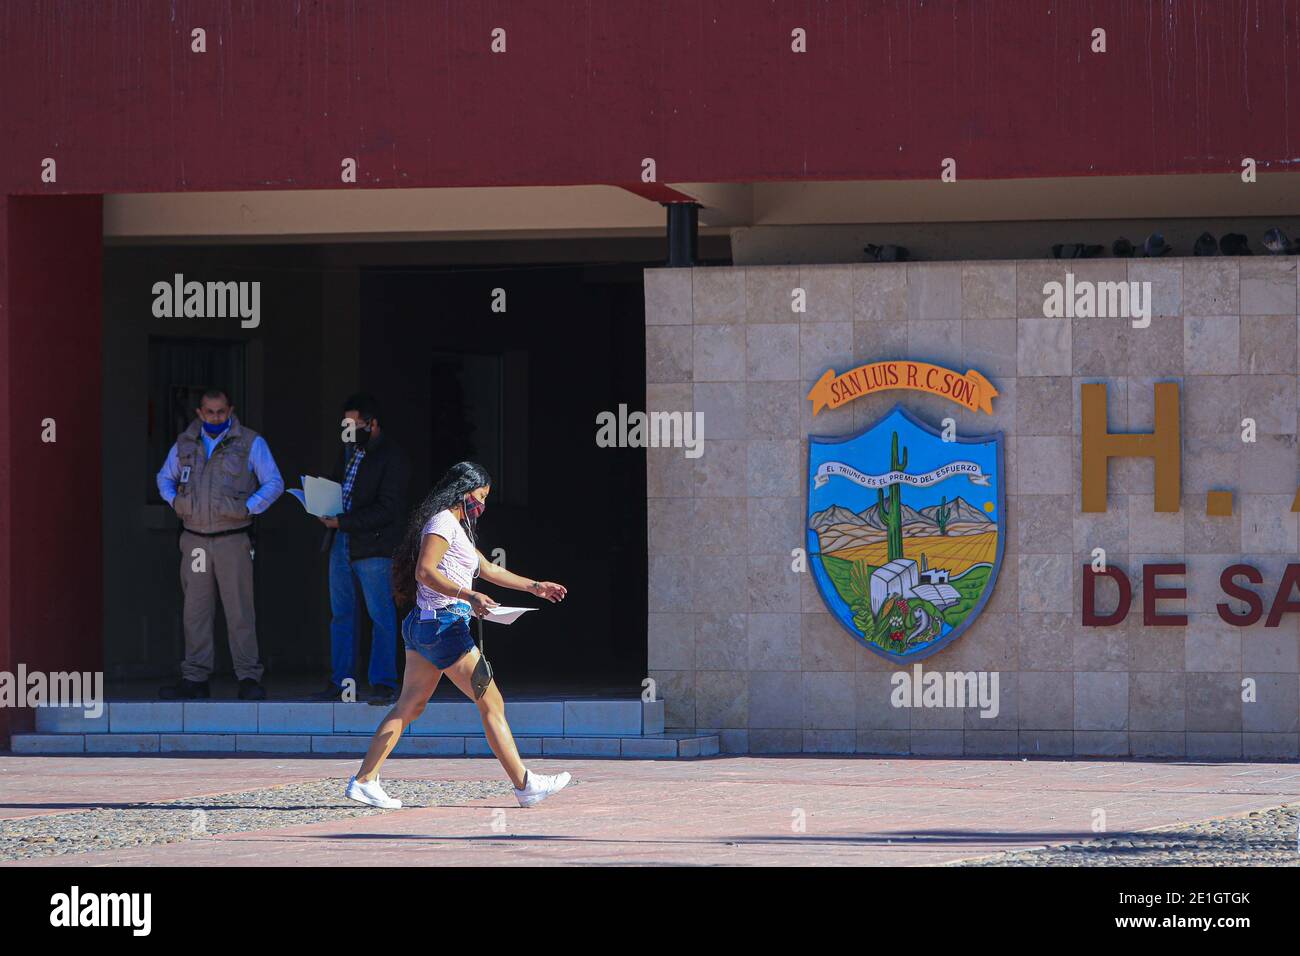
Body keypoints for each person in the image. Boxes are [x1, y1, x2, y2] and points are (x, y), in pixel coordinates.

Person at [345, 461, 572, 809]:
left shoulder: (457, 528)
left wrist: (535, 587)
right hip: (444, 627)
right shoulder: (441, 523)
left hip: (426, 625)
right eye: (480, 497)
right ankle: (526, 785)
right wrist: (468, 596)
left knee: (409, 705)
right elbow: (425, 571)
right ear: (463, 493)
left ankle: (364, 780)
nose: (482, 505)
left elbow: (489, 568)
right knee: (491, 703)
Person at [156, 388, 284, 700]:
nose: (215, 417)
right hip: (196, 540)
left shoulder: (251, 443)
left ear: (230, 411)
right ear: (199, 413)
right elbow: (164, 478)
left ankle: (248, 677)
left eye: (221, 412)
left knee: (240, 610)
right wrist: (177, 503)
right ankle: (195, 679)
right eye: (209, 412)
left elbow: (274, 483)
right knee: (195, 611)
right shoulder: (185, 443)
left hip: (232, 539)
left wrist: (248, 508)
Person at [311, 393, 410, 705]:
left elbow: (388, 509)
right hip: (341, 542)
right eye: (346, 425)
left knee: (380, 615)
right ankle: (341, 682)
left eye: (355, 425)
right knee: (341, 615)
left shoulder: (392, 458)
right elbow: (340, 487)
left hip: (374, 546)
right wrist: (319, 500)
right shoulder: (349, 451)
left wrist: (344, 522)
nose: (350, 430)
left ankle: (383, 682)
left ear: (373, 424)